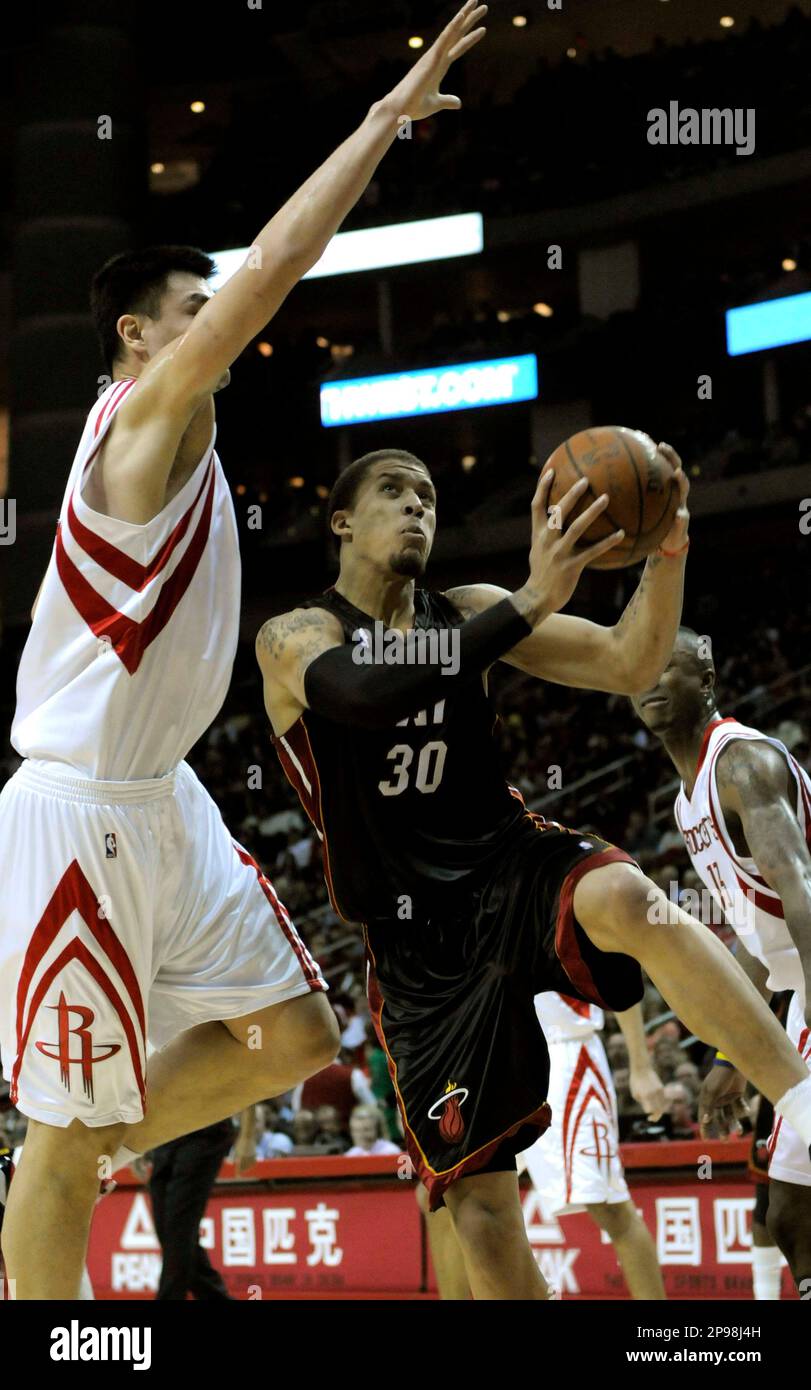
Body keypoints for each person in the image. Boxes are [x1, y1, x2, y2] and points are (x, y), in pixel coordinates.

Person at [0, 1, 490, 1299]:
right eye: (194, 306)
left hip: (165, 797)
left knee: (290, 1036)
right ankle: (53, 1215)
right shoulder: (140, 420)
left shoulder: (191, 439)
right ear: (139, 336)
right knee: (54, 1146)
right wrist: (381, 122)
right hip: (78, 805)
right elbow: (275, 265)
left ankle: (79, 1139)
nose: (217, 316)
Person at [255, 444, 811, 1300]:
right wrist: (532, 599)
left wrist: (667, 556)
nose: (417, 508)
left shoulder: (472, 609)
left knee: (629, 895)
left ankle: (802, 1102)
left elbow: (628, 661)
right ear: (340, 522)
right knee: (478, 1205)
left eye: (429, 496)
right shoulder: (296, 635)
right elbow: (360, 695)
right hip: (413, 946)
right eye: (394, 493)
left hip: (505, 862)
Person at [631, 626, 811, 1289]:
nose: (648, 680)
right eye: (639, 668)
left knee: (793, 1208)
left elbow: (801, 895)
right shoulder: (686, 800)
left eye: (667, 669)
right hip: (793, 989)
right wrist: (732, 1055)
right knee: (770, 1203)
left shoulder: (740, 764)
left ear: (704, 684)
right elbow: (765, 937)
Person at [518, 993, 666, 1299]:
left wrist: (640, 1066)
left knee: (610, 1207)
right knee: (452, 1195)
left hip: (565, 1056)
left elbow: (619, 961)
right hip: (498, 1062)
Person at [147, 1119, 235, 1301]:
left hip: (206, 1129)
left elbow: (244, 1090)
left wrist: (248, 1138)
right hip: (167, 1134)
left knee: (178, 1232)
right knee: (171, 1235)